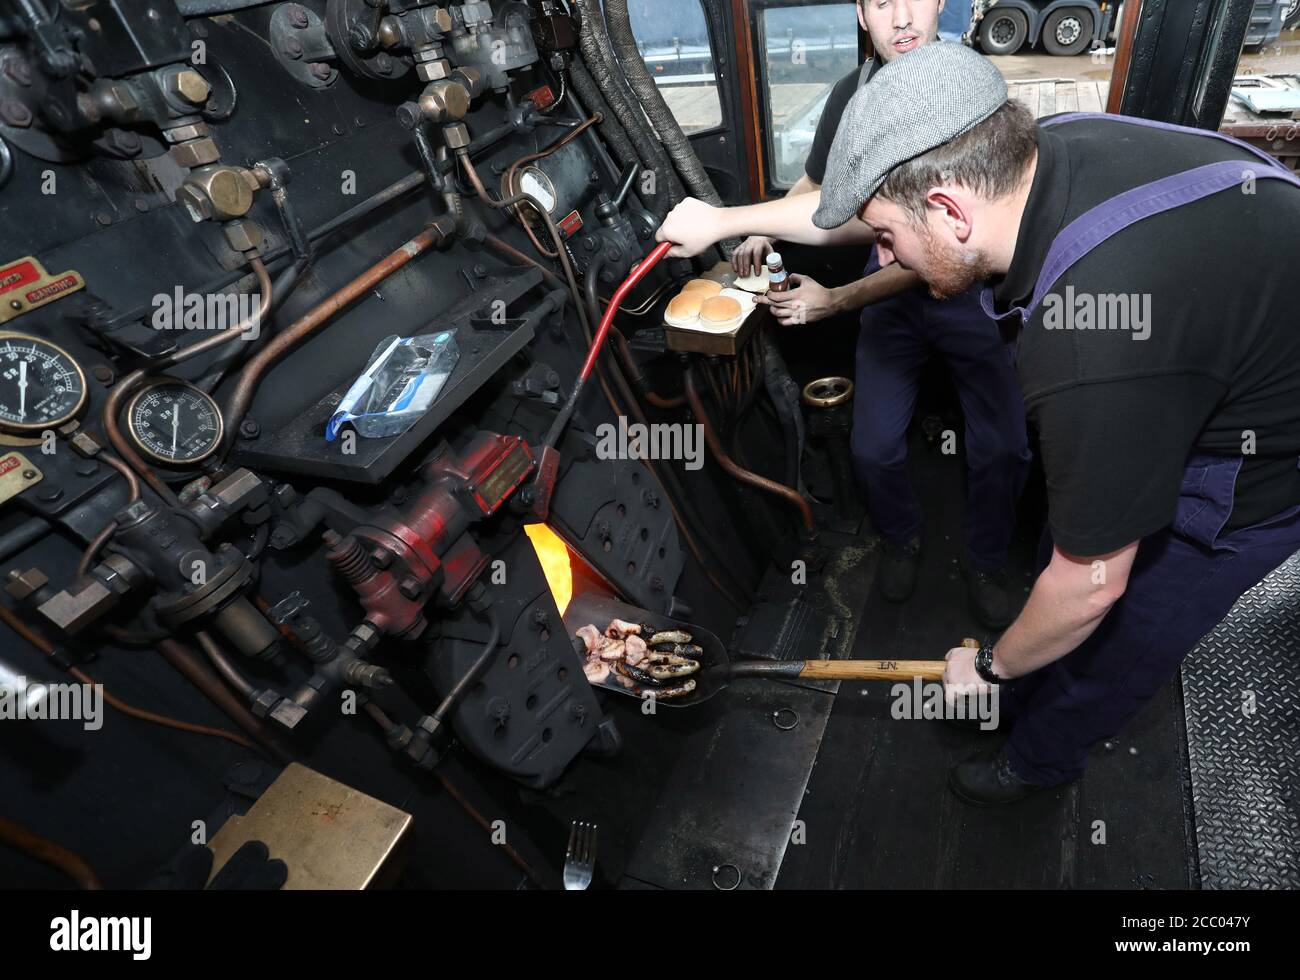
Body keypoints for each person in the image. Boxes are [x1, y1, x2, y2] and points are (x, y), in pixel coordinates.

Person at [664, 41, 1300, 804]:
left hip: (1254, 471)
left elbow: (1090, 585)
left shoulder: (1091, 343)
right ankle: (1025, 685)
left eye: (889, 239)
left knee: (1117, 635)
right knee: (1065, 578)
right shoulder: (1047, 149)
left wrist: (989, 664)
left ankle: (1036, 762)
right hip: (1211, 365)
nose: (888, 257)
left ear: (951, 211)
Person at [683, 0, 1030, 630]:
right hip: (895, 308)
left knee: (1003, 448)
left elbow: (937, 258)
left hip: (964, 293)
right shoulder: (854, 94)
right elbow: (819, 186)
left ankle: (985, 560)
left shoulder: (968, 93)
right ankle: (900, 538)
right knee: (872, 448)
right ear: (860, 16)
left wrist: (838, 298)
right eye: (880, 2)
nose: (901, 18)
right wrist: (766, 228)